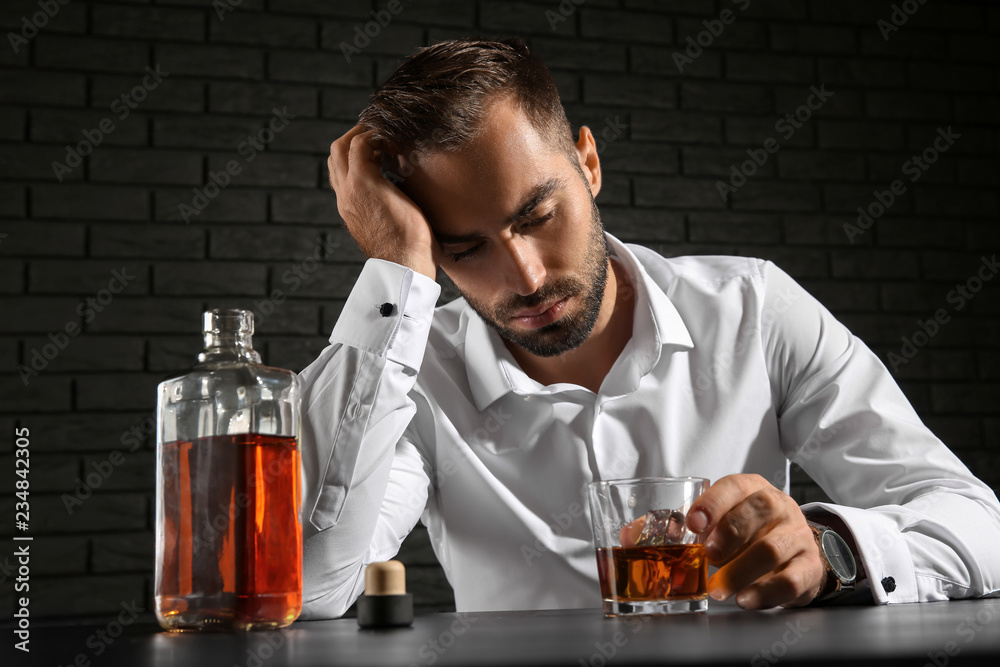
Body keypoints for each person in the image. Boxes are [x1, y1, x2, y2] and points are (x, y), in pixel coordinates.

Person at [298, 38, 1000, 619]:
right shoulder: (410, 375)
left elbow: (980, 523)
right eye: (464, 247)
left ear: (589, 163)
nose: (527, 277)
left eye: (538, 216)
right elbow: (313, 582)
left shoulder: (753, 308)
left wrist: (836, 550)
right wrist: (396, 274)